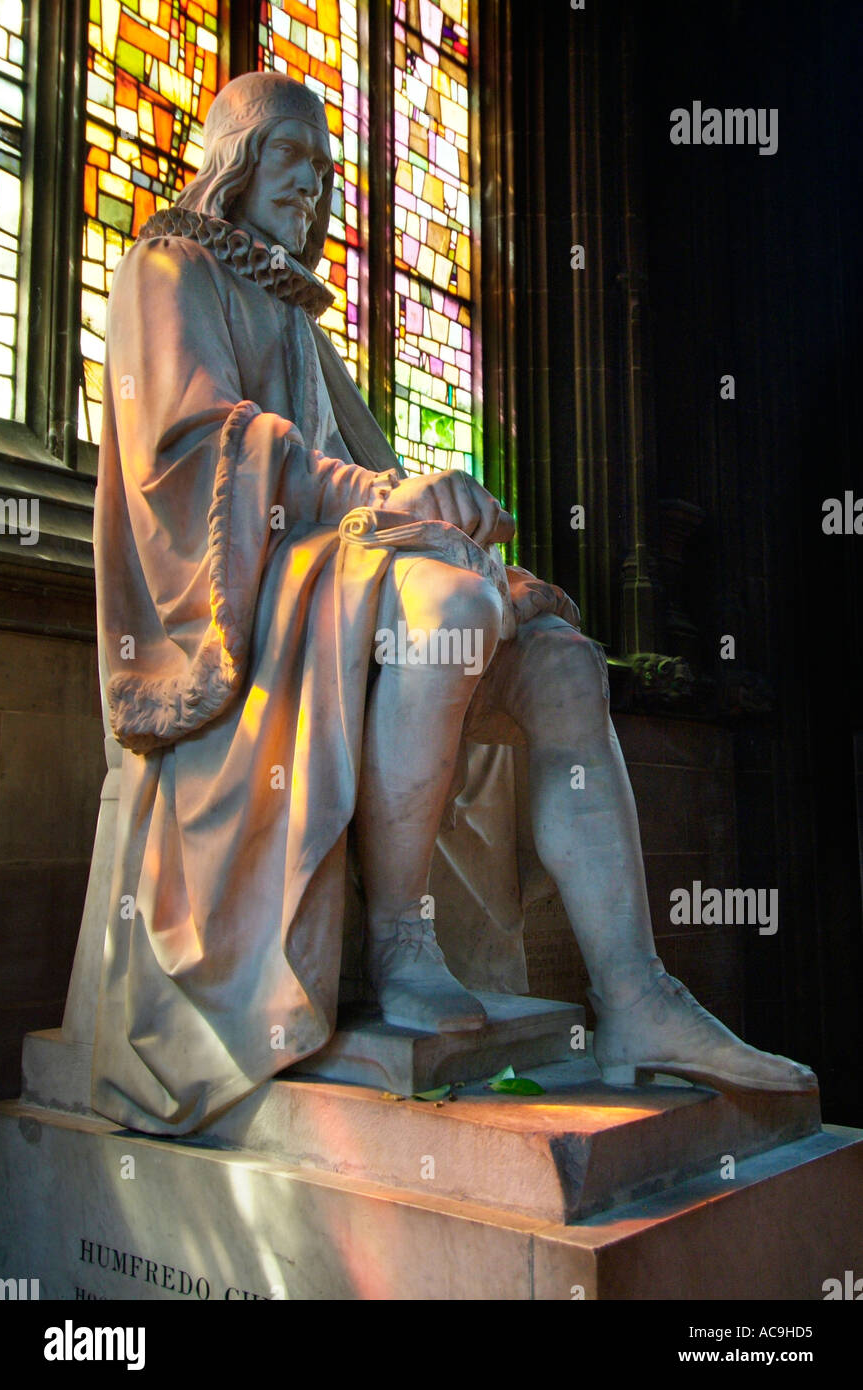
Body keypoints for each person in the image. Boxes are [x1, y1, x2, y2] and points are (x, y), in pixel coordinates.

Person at [91, 71, 815, 1135]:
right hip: (234, 600)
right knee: (447, 617)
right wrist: (392, 505)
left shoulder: (301, 324)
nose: (319, 191)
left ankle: (632, 994)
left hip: (335, 576)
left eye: (331, 175)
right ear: (234, 162)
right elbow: (193, 451)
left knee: (560, 656)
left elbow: (372, 473)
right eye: (295, 163)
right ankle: (399, 943)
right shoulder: (169, 268)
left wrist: (455, 532)